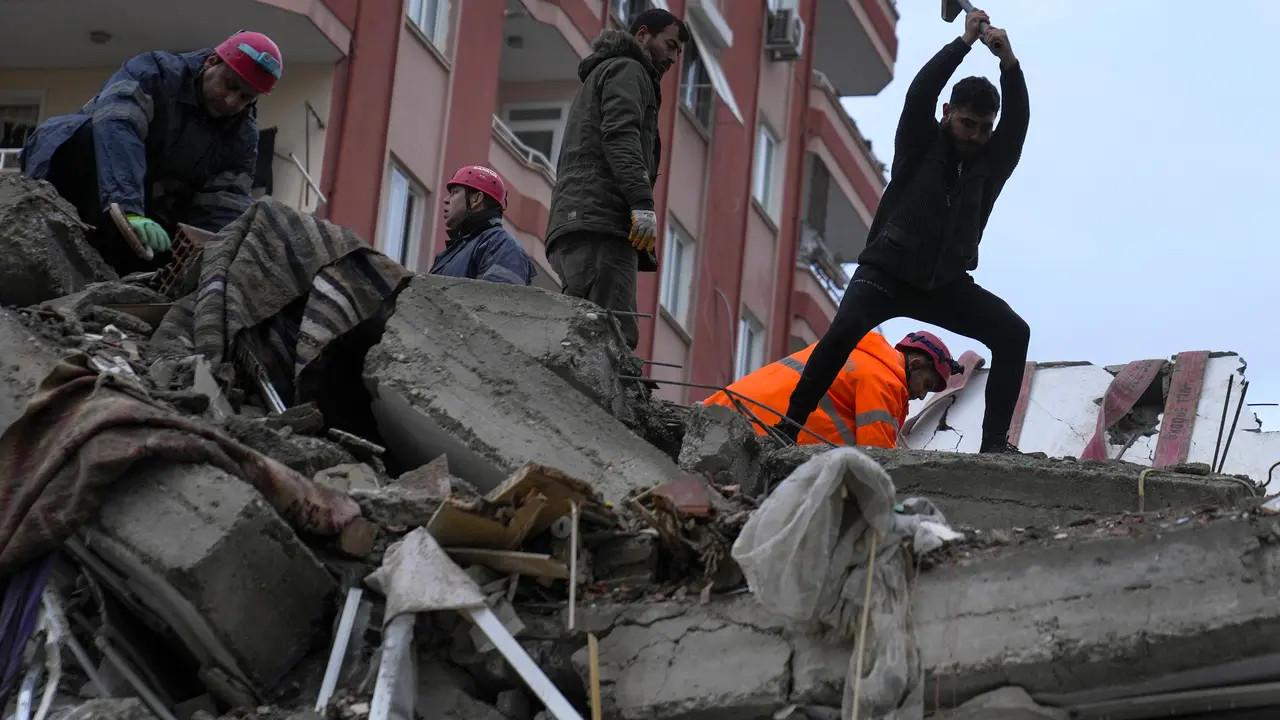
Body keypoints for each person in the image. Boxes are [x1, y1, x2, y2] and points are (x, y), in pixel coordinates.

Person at [775, 9, 1030, 454]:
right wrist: (963, 43)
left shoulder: (992, 164)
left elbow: (1018, 123)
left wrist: (1009, 62)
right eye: (968, 123)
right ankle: (787, 428)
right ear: (949, 113)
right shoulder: (919, 143)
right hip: (886, 273)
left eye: (985, 127)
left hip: (944, 283)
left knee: (1013, 332)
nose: (975, 135)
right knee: (841, 333)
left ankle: (993, 447)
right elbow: (921, 91)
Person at [21, 30, 281, 273]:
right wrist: (127, 207)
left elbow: (225, 203)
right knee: (93, 136)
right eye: (230, 85)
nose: (232, 101)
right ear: (213, 61)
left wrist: (200, 258)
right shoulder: (154, 72)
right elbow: (119, 128)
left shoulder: (242, 138)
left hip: (147, 208)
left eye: (245, 98)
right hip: (77, 173)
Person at [543, 8, 688, 349]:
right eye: (669, 45)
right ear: (641, 35)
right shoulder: (628, 70)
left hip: (578, 220)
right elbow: (621, 135)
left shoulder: (607, 73)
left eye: (678, 51)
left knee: (582, 330)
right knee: (614, 337)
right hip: (602, 222)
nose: (672, 57)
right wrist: (641, 202)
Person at [707, 331, 959, 448]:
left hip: (720, 414)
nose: (921, 396)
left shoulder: (851, 351)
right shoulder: (884, 380)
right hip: (756, 436)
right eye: (926, 385)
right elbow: (878, 459)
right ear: (914, 364)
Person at [430, 165, 536, 285]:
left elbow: (500, 299)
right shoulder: (451, 254)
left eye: (454, 192)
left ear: (476, 199)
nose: (446, 200)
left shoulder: (502, 245)